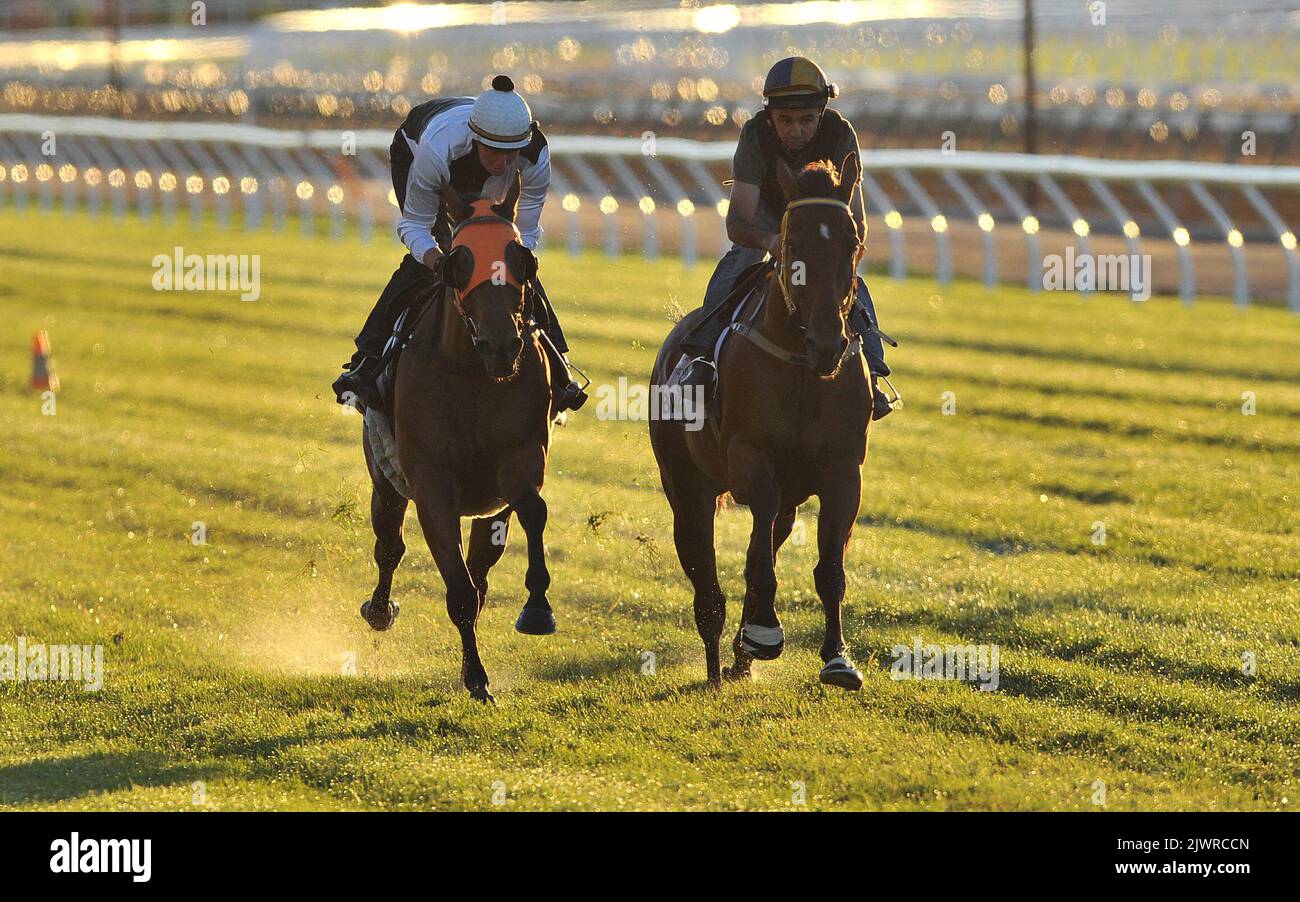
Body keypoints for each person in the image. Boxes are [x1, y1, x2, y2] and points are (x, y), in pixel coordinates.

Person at [332, 75, 587, 413]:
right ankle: (367, 362)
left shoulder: (535, 153)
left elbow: (525, 232)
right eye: (495, 151)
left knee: (515, 262)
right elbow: (413, 226)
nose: (504, 162)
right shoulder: (438, 152)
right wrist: (439, 261)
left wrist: (510, 257)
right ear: (476, 138)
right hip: (414, 146)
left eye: (511, 152)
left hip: (464, 145)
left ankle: (559, 365)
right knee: (437, 258)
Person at [680, 56, 900, 420]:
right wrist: (772, 242)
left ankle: (873, 372)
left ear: (821, 113)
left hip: (822, 228)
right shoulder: (755, 135)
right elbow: (738, 221)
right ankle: (702, 359)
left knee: (845, 280)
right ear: (770, 117)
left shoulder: (841, 133)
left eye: (806, 120)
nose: (796, 130)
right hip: (768, 222)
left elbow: (857, 221)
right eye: (786, 121)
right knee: (742, 262)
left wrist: (835, 256)